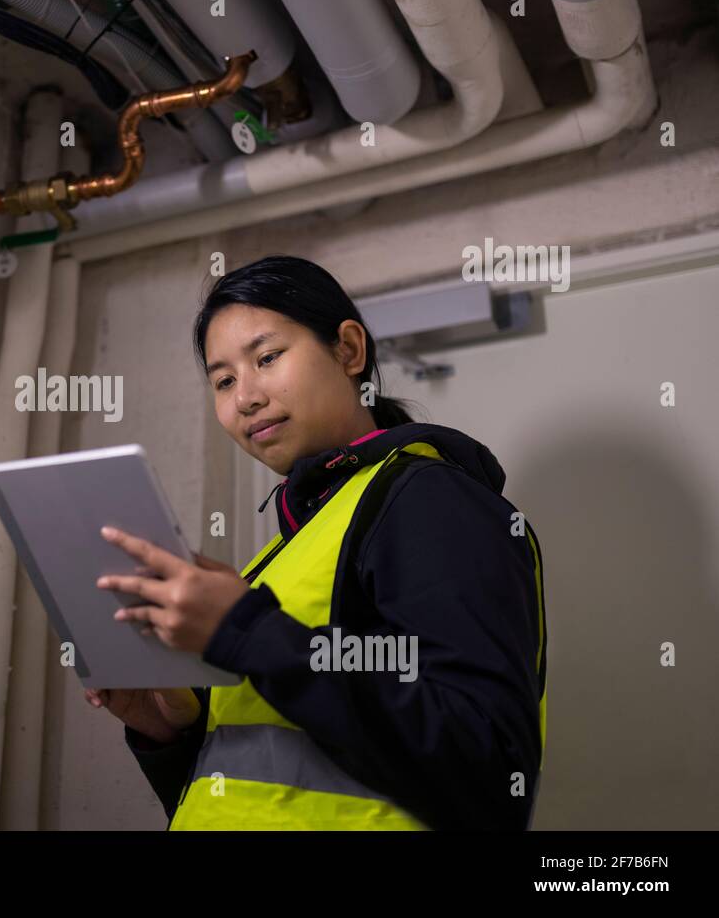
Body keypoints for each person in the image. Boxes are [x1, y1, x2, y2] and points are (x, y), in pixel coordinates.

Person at [84, 255, 547, 830]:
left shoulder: (430, 501)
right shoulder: (275, 560)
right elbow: (261, 792)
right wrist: (170, 729)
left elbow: (490, 774)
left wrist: (244, 631)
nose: (245, 397)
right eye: (224, 380)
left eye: (267, 358)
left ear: (349, 351)